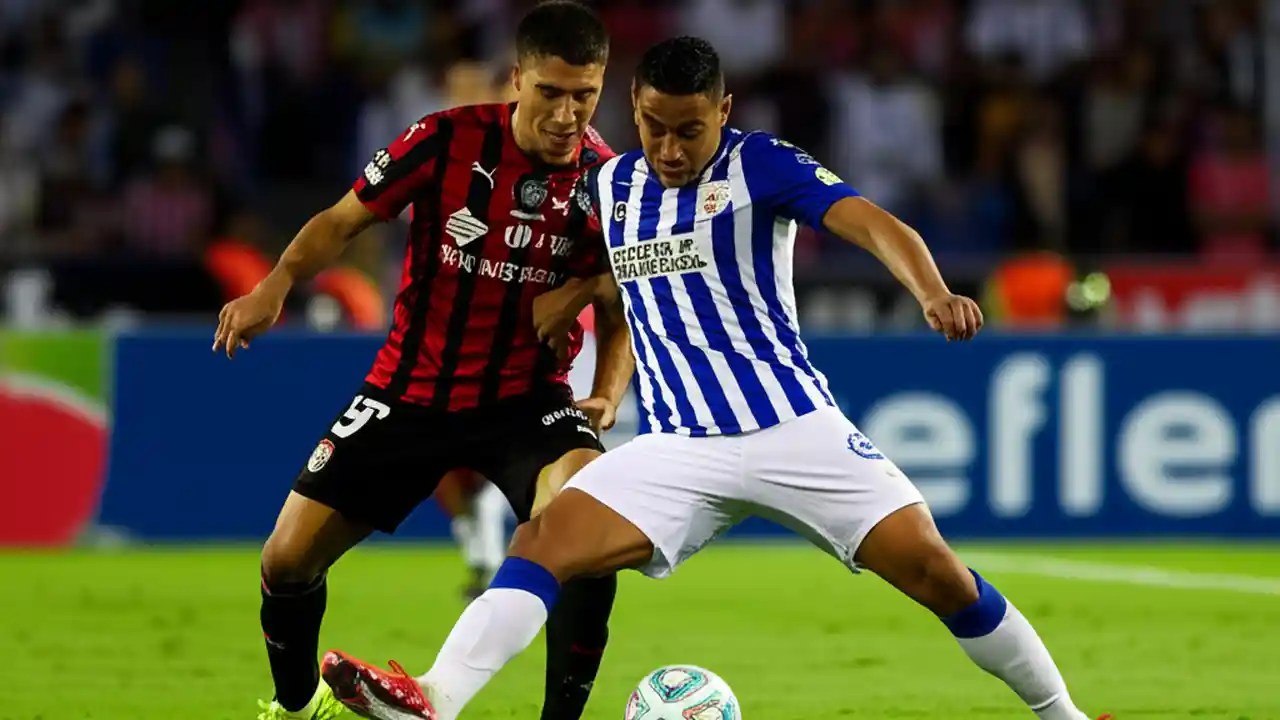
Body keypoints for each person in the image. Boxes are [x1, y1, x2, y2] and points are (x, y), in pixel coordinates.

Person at [319, 37, 1111, 720]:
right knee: (544, 538)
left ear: (723, 110)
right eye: (654, 127)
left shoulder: (760, 166)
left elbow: (874, 222)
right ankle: (434, 696)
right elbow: (622, 274)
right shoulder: (610, 185)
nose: (669, 149)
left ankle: (1064, 713)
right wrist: (583, 298)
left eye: (689, 131)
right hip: (679, 447)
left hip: (793, 428)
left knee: (939, 573)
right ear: (632, 104)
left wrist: (932, 290)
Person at [211, 3, 632, 719]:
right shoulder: (443, 140)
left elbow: (620, 305)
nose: (567, 114)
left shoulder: (609, 185)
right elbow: (343, 220)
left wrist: (608, 390)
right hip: (410, 389)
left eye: (583, 95)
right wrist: (276, 283)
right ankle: (297, 706)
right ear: (518, 79)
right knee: (285, 562)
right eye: (550, 92)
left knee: (589, 533)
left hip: (527, 401)